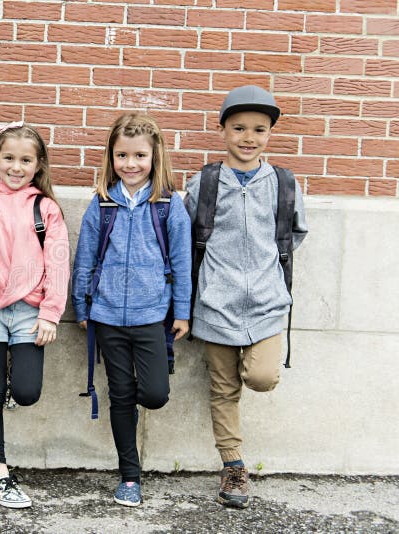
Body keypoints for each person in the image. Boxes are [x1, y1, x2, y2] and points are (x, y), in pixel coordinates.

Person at [184, 85, 308, 509]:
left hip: (267, 303)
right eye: (238, 128)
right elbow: (186, 235)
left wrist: (264, 270)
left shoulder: (284, 184)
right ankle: (233, 466)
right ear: (222, 130)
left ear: (269, 133)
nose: (248, 137)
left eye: (258, 129)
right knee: (223, 389)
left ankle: (248, 360)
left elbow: (295, 233)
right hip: (216, 303)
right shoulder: (205, 182)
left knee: (262, 376)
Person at [71, 113, 191, 507]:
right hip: (106, 317)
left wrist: (182, 311)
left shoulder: (168, 206)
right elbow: (85, 258)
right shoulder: (103, 204)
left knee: (155, 394)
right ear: (111, 157)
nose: (130, 163)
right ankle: (129, 476)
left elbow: (182, 262)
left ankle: (132, 406)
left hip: (151, 316)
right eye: (122, 155)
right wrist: (82, 305)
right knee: (120, 395)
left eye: (140, 155)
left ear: (155, 157)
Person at [0, 122, 69, 509]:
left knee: (26, 392)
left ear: (38, 165)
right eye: (8, 158)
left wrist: (51, 313)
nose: (16, 167)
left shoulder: (47, 209)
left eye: (25, 160)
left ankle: (11, 377)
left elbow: (58, 263)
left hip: (30, 313)